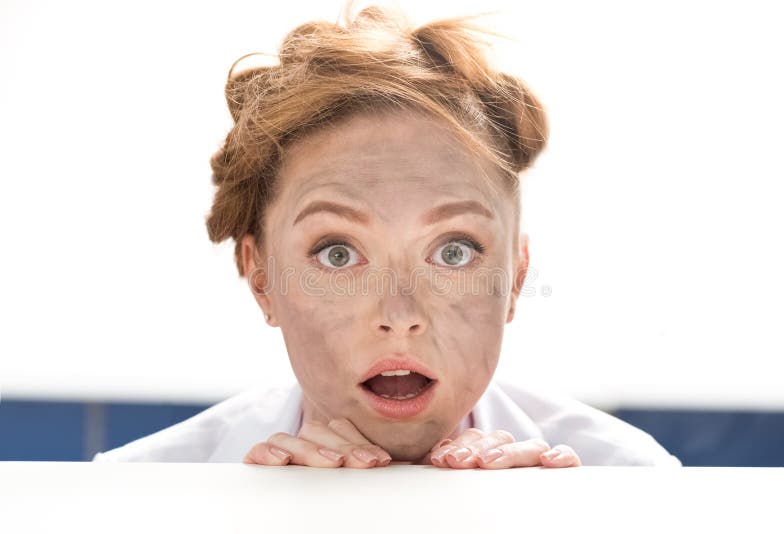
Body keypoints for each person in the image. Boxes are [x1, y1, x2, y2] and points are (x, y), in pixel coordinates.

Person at [94, 3, 680, 469]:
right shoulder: (134, 495)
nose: (399, 315)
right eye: (337, 252)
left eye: (454, 251)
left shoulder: (631, 485)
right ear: (262, 277)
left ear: (516, 277)